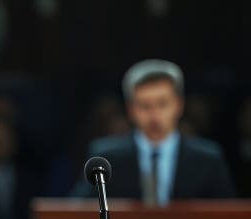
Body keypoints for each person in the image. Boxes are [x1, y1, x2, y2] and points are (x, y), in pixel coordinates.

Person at [72, 59, 234, 204]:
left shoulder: (207, 159)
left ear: (179, 105)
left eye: (162, 104)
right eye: (145, 106)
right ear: (131, 110)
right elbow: (75, 213)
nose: (154, 115)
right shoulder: (106, 158)